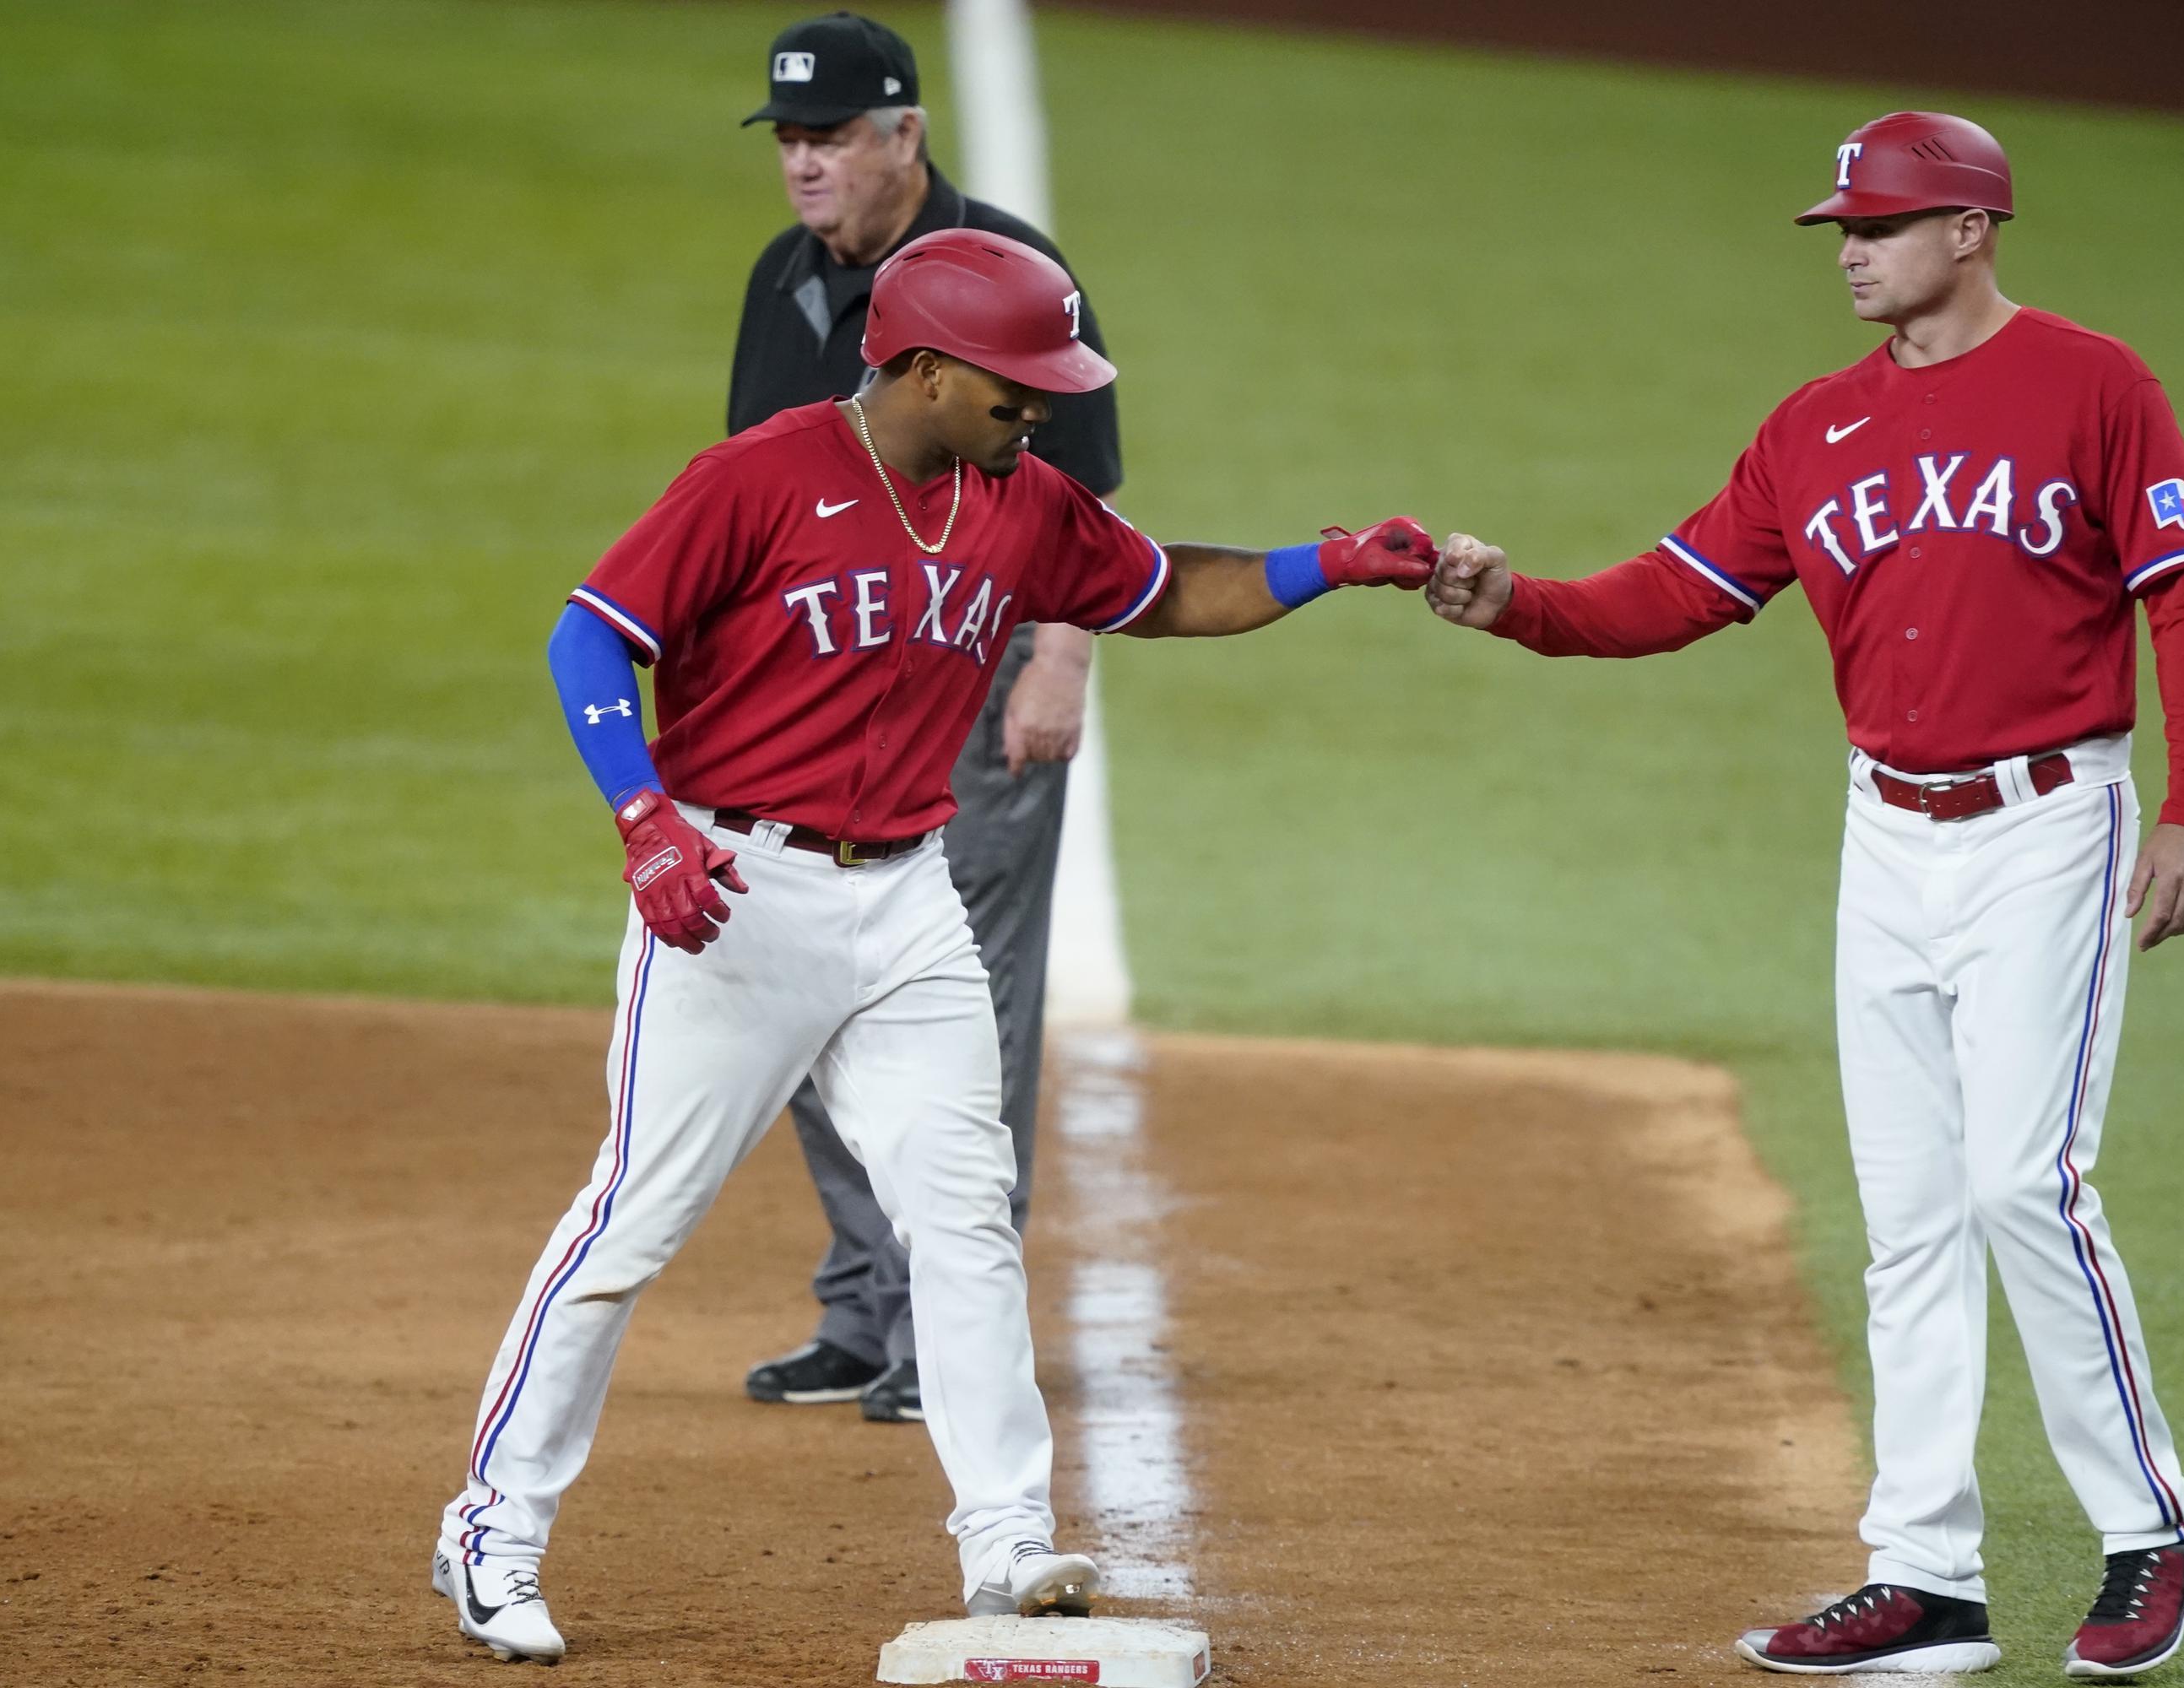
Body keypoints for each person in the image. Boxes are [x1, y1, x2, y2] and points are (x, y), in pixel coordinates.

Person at [430, 227, 1438, 1665]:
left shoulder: (1017, 498)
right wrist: (644, 816)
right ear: (918, 367)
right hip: (736, 889)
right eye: (1019, 385)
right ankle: (493, 1527)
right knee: (632, 1222)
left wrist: (1327, 562)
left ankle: (1009, 1543)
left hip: (909, 901)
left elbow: (1163, 590)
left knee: (965, 1219)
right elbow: (590, 640)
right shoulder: (758, 477)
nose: (1047, 410)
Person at [1426, 112, 2184, 1680]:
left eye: (1877, 223)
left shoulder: (2095, 385)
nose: (1850, 249)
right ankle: (1927, 1580)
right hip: (1887, 841)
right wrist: (1515, 604)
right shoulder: (1816, 427)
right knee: (1911, 1218)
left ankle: (2157, 1538)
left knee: (2024, 1186)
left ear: (1972, 231)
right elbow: (1675, 593)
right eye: (1843, 226)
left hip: (2048, 831)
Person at [725, 11, 1123, 1426]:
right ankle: (861, 1304)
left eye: (831, 136)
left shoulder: (1012, 280)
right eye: (789, 139)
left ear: (906, 134)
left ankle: (944, 1324)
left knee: (970, 1002)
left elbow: (1089, 504)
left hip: (977, 672)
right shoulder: (783, 279)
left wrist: (1062, 662)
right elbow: (750, 497)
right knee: (795, 988)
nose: (805, 165)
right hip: (821, 701)